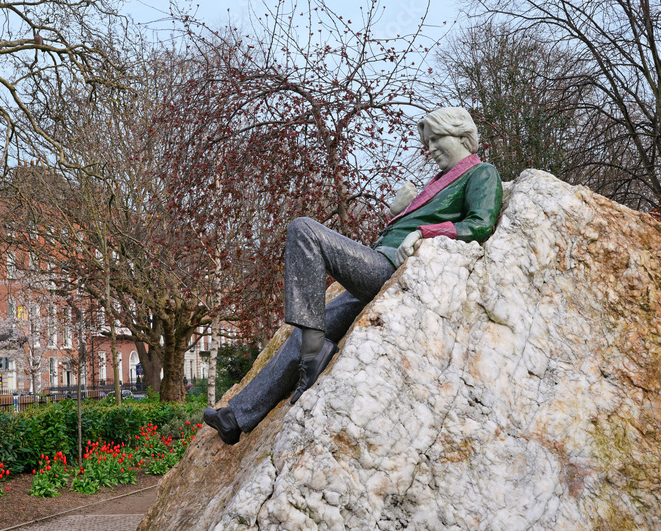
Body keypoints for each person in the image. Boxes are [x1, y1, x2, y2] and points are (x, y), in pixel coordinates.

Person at [203, 107, 503, 445]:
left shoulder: (481, 173)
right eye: (427, 142)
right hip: (382, 271)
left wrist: (423, 232)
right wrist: (398, 212)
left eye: (437, 140)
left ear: (462, 135)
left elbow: (480, 224)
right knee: (309, 327)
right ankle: (236, 417)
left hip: (390, 271)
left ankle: (315, 353)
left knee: (305, 230)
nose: (430, 149)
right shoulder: (437, 182)